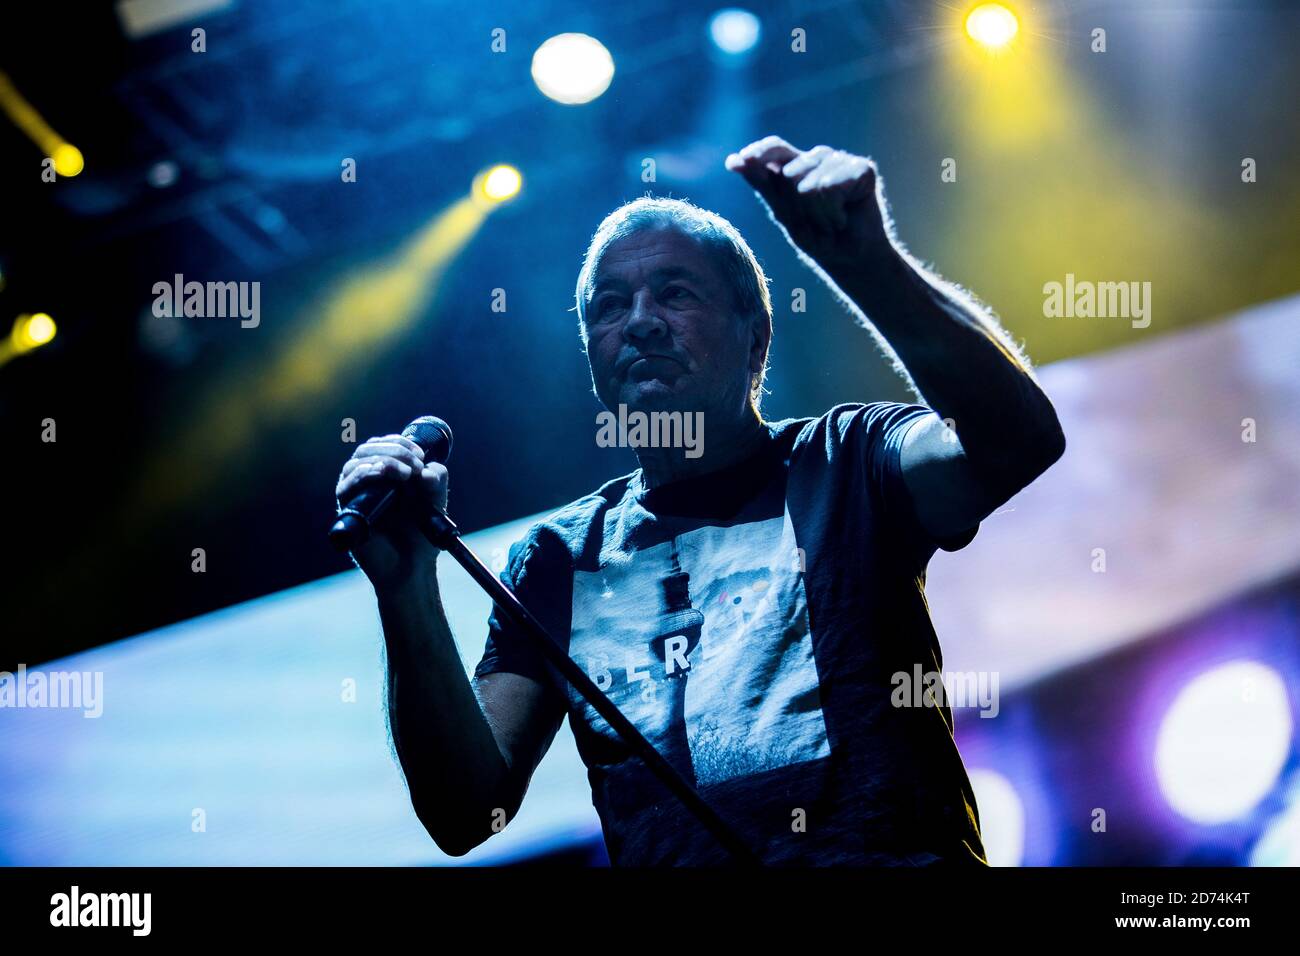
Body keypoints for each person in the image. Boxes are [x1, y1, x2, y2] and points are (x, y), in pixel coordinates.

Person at [335, 135, 1066, 865]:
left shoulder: (849, 460)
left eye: (675, 293)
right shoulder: (558, 558)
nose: (641, 321)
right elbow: (466, 812)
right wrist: (405, 589)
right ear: (592, 357)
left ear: (756, 340)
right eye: (610, 306)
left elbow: (1017, 441)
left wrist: (867, 265)